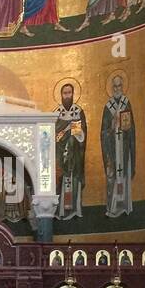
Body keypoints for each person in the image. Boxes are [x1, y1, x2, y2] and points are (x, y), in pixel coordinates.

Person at [101, 75, 135, 217]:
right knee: (112, 177)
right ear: (111, 88)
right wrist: (112, 125)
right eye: (114, 86)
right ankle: (112, 208)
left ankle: (125, 206)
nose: (117, 89)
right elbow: (103, 132)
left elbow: (132, 128)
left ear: (122, 86)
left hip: (124, 147)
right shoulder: (107, 107)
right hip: (112, 150)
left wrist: (126, 128)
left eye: (119, 86)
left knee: (124, 176)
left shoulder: (127, 103)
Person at [54, 83, 86, 219]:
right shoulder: (56, 113)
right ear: (61, 95)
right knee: (61, 179)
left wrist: (71, 134)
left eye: (69, 93)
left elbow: (81, 134)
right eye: (65, 93)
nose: (67, 96)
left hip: (75, 155)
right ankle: (60, 211)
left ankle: (74, 210)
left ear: (73, 94)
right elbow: (53, 135)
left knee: (73, 180)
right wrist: (63, 134)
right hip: (61, 155)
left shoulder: (77, 112)